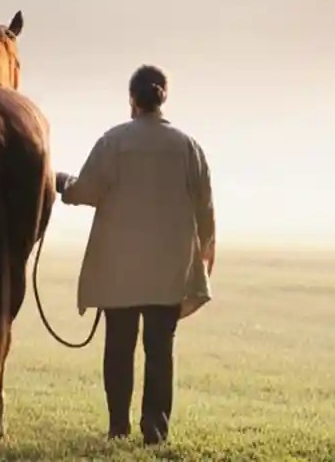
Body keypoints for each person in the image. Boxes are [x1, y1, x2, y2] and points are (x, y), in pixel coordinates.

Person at [54, 64, 216, 446]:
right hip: (169, 268)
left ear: (132, 100)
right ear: (163, 98)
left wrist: (62, 183)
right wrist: (205, 252)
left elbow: (86, 192)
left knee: (119, 348)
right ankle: (155, 430)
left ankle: (117, 426)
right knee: (160, 351)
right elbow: (205, 207)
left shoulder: (114, 141)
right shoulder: (187, 145)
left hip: (120, 268)